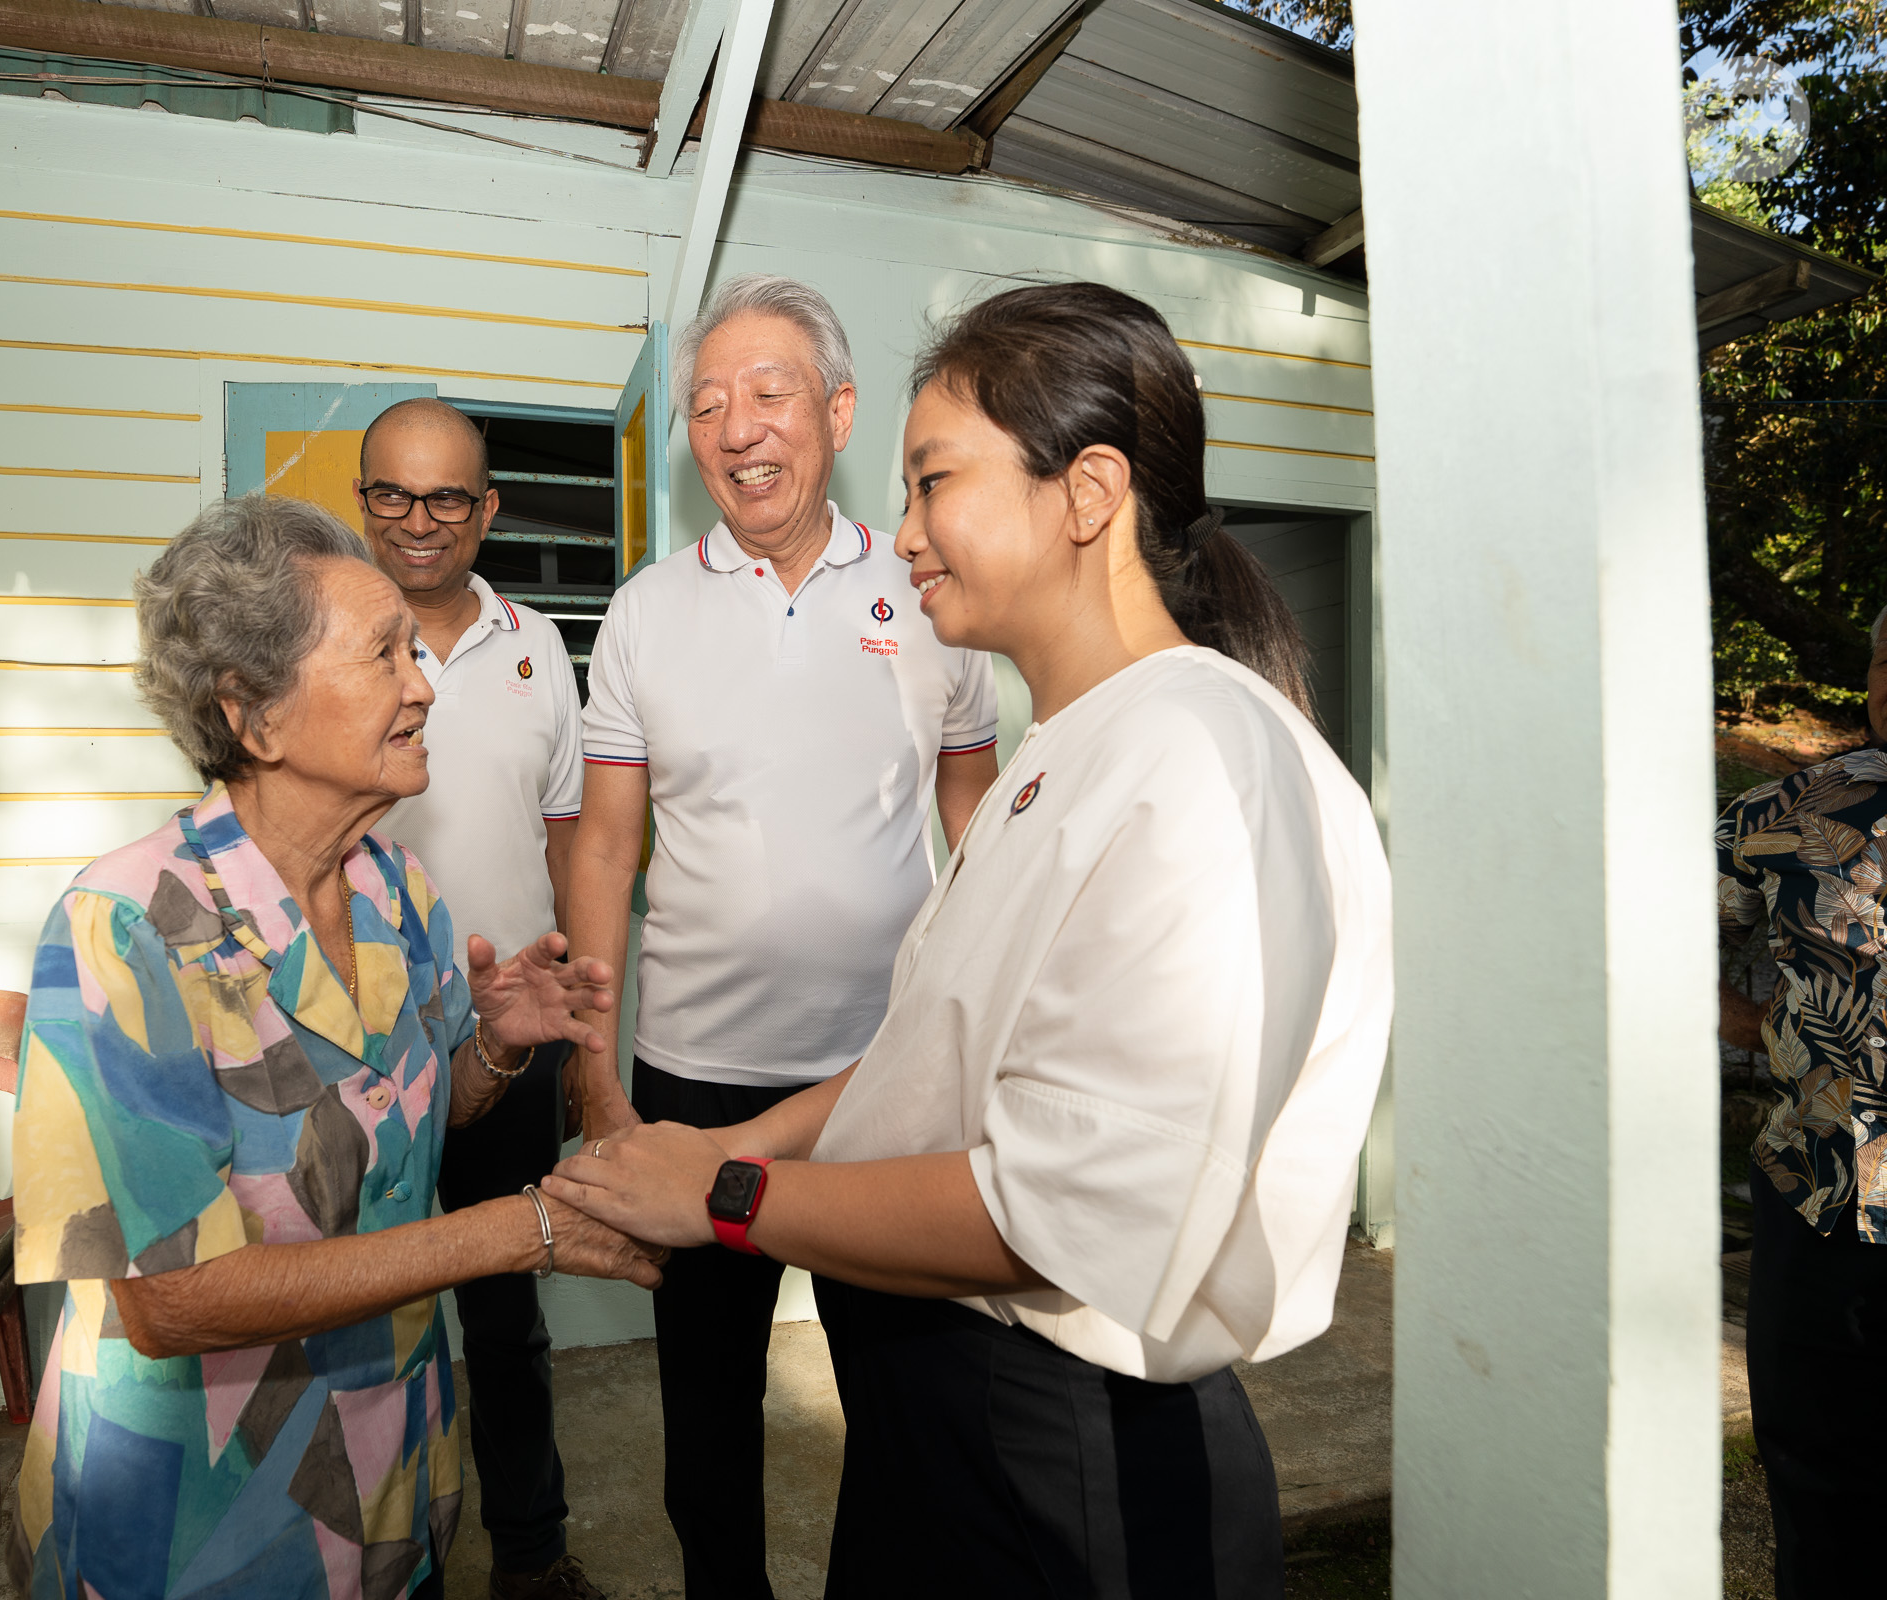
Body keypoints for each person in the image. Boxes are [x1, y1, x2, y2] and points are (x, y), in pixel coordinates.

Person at [547, 282, 1393, 1599]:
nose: (910, 531)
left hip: (1068, 1429)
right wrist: (715, 1142)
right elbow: (940, 1046)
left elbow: (1054, 1210)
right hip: (957, 1391)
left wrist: (724, 1194)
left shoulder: (1195, 763)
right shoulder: (1073, 752)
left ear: (1088, 494)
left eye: (936, 482)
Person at [5, 495, 664, 1600]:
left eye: (417, 648)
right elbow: (171, 1301)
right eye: (385, 654)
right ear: (255, 716)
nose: (426, 682)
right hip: (203, 1509)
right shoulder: (124, 928)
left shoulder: (398, 892)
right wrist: (522, 1230)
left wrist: (495, 1048)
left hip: (390, 1457)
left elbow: (408, 1131)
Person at [563, 273, 1001, 1597]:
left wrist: (984, 1014)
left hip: (887, 1082)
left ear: (838, 411)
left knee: (906, 1401)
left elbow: (971, 802)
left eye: (769, 392)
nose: (737, 427)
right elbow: (600, 843)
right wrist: (595, 1071)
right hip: (693, 1080)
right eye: (708, 405)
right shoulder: (647, 612)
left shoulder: (934, 595)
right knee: (704, 1420)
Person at [355, 398, 602, 1600]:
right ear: (362, 503)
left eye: (446, 497)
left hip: (505, 1039)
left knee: (505, 1315)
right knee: (355, 1315)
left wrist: (582, 1027)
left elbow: (570, 841)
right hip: (354, 1045)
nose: (418, 522)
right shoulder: (328, 634)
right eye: (392, 496)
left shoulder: (536, 645)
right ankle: (364, 1560)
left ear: (486, 509)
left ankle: (530, 1554)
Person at [1716, 605, 1887, 1599]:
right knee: (1815, 1487)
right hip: (1814, 1200)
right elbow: (1672, 914)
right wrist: (1747, 1024)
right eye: (1881, 660)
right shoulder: (1789, 812)